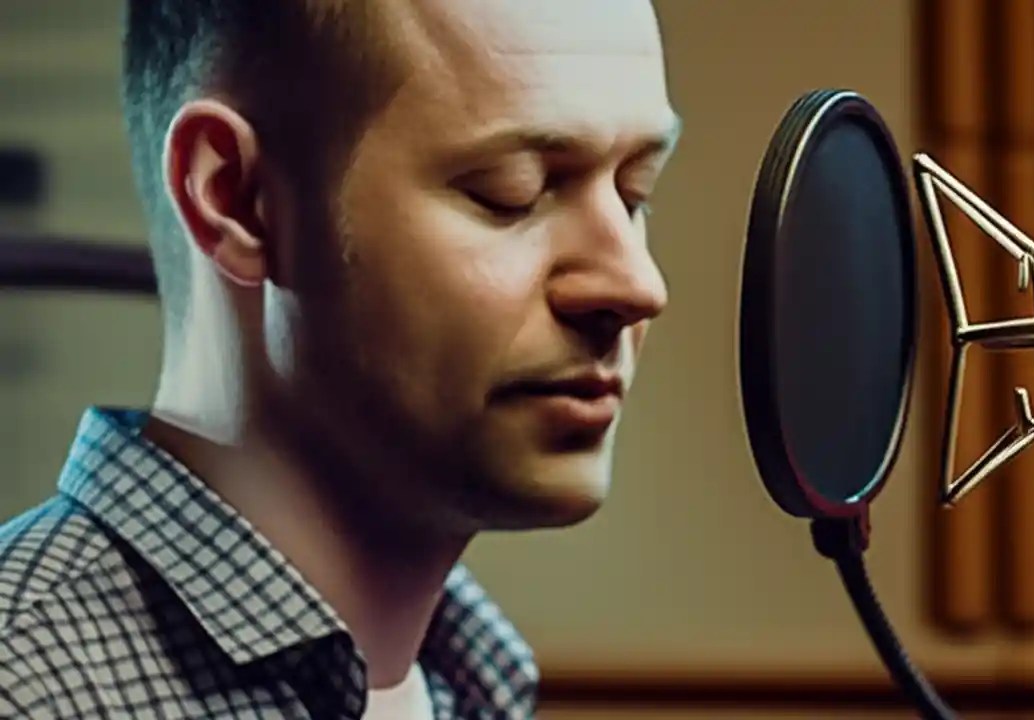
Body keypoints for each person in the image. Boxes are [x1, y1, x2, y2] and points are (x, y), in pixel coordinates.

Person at [0, 0, 680, 717]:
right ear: (237, 197)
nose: (637, 285)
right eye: (511, 191)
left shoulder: (473, 685)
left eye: (634, 195)